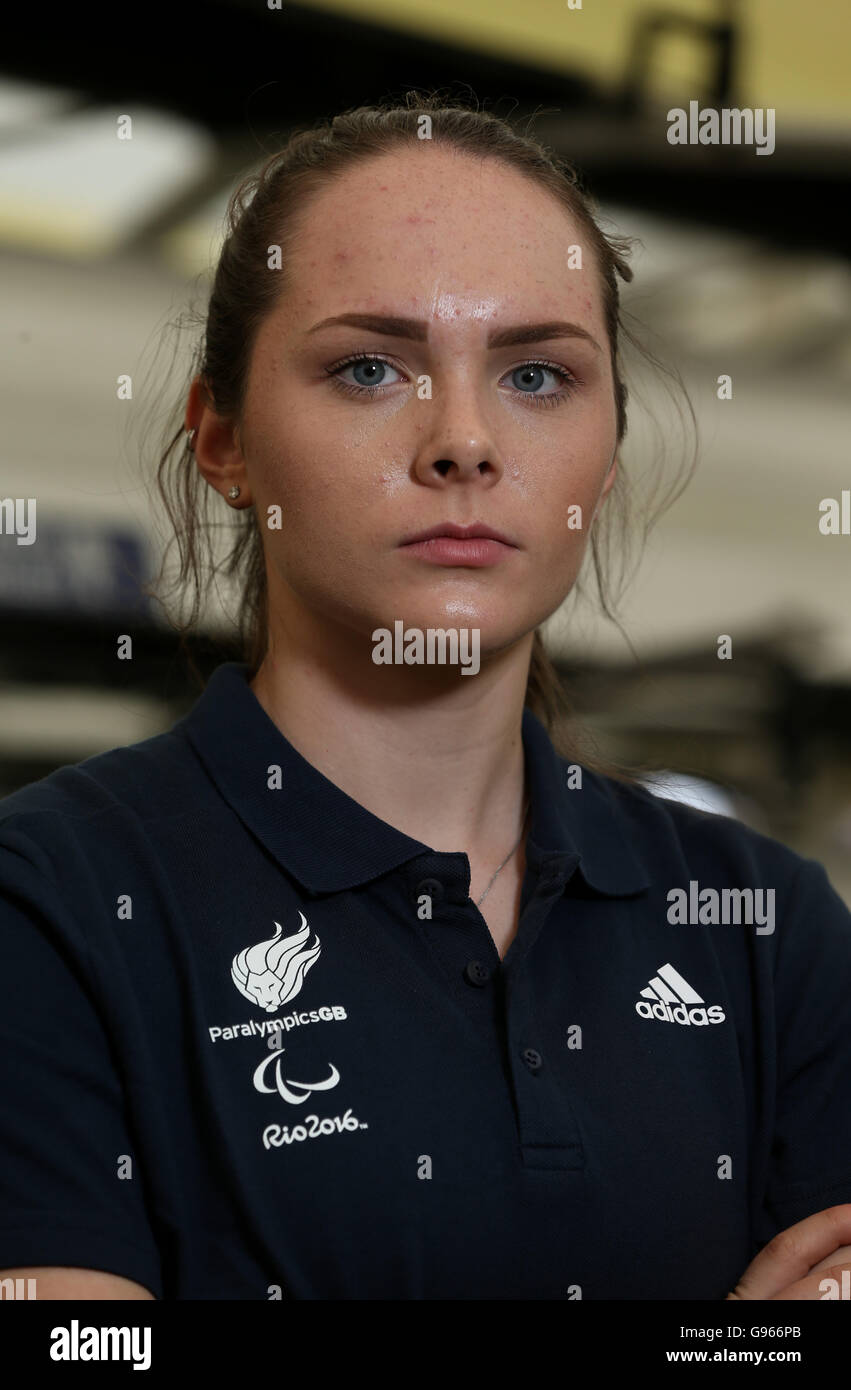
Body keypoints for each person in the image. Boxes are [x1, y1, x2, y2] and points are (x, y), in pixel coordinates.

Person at [1, 93, 850, 1302]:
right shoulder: (53, 911)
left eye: (538, 375)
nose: (462, 440)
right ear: (224, 439)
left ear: (605, 460)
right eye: (366, 367)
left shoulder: (767, 930)